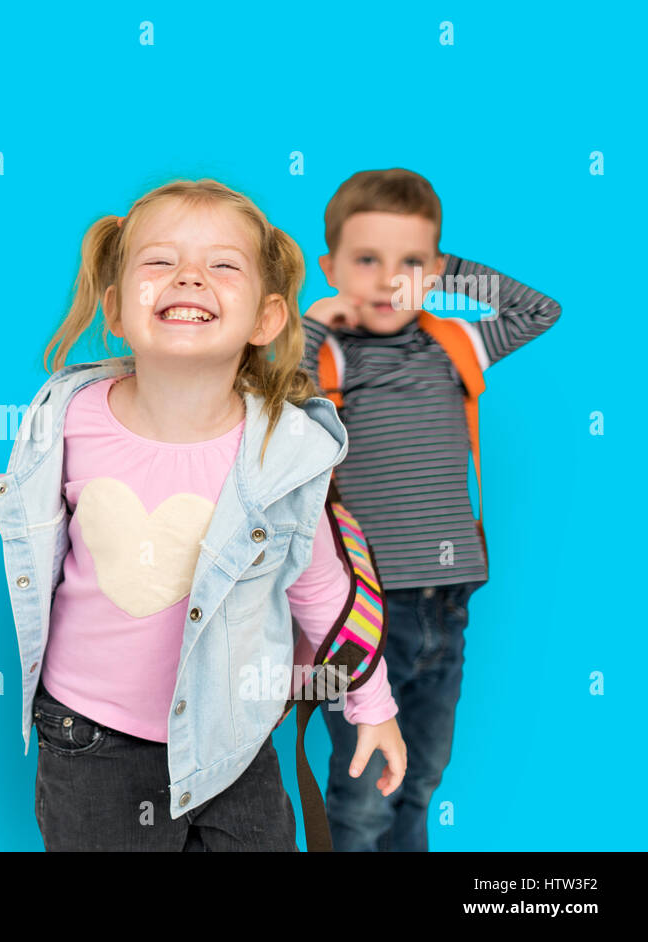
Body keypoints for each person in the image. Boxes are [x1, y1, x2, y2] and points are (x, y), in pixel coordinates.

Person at [0, 179, 404, 851]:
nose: (190, 277)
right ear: (116, 309)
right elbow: (26, 500)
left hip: (233, 742)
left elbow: (320, 588)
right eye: (161, 261)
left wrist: (372, 705)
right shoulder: (73, 417)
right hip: (90, 743)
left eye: (222, 264)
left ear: (265, 319)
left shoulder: (283, 453)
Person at [299, 168, 561, 851]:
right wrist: (314, 321)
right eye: (367, 260)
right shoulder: (329, 358)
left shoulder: (455, 344)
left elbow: (539, 310)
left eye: (410, 263)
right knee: (364, 796)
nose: (390, 280)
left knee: (421, 776)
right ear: (331, 270)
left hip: (448, 600)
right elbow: (281, 408)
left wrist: (444, 274)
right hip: (366, 609)